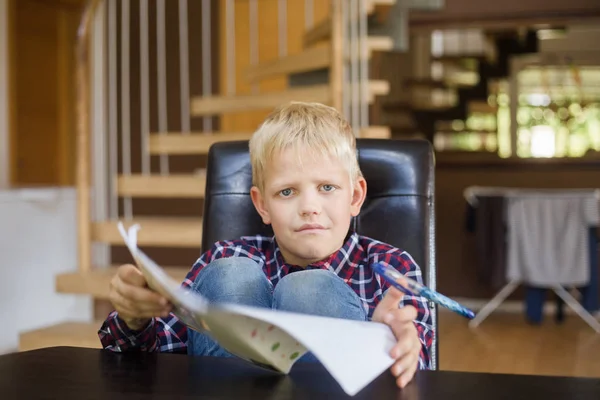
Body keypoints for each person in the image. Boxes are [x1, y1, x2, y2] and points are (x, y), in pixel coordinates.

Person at [99, 102, 434, 388]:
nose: (309, 207)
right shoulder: (226, 255)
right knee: (230, 275)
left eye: (327, 188)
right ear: (262, 205)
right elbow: (149, 351)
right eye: (287, 192)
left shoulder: (393, 267)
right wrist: (134, 318)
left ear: (356, 196)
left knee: (309, 289)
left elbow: (423, 365)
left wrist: (390, 342)